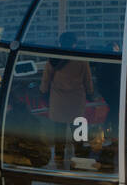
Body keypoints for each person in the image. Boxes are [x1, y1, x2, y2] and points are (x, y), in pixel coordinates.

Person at [40, 31, 95, 165]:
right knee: (78, 130)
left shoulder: (53, 58)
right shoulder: (81, 58)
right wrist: (90, 94)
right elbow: (87, 79)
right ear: (75, 43)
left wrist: (43, 93)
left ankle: (59, 157)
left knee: (59, 130)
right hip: (76, 100)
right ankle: (80, 155)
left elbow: (46, 79)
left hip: (58, 100)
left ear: (60, 43)